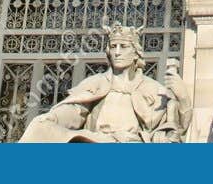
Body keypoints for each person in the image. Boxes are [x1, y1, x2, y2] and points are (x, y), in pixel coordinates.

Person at [19, 25, 183, 143]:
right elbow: (75, 111)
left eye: (123, 46)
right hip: (96, 140)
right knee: (41, 127)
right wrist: (54, 116)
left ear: (135, 53)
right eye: (113, 46)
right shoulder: (96, 82)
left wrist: (183, 98)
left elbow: (173, 130)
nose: (117, 52)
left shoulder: (153, 89)